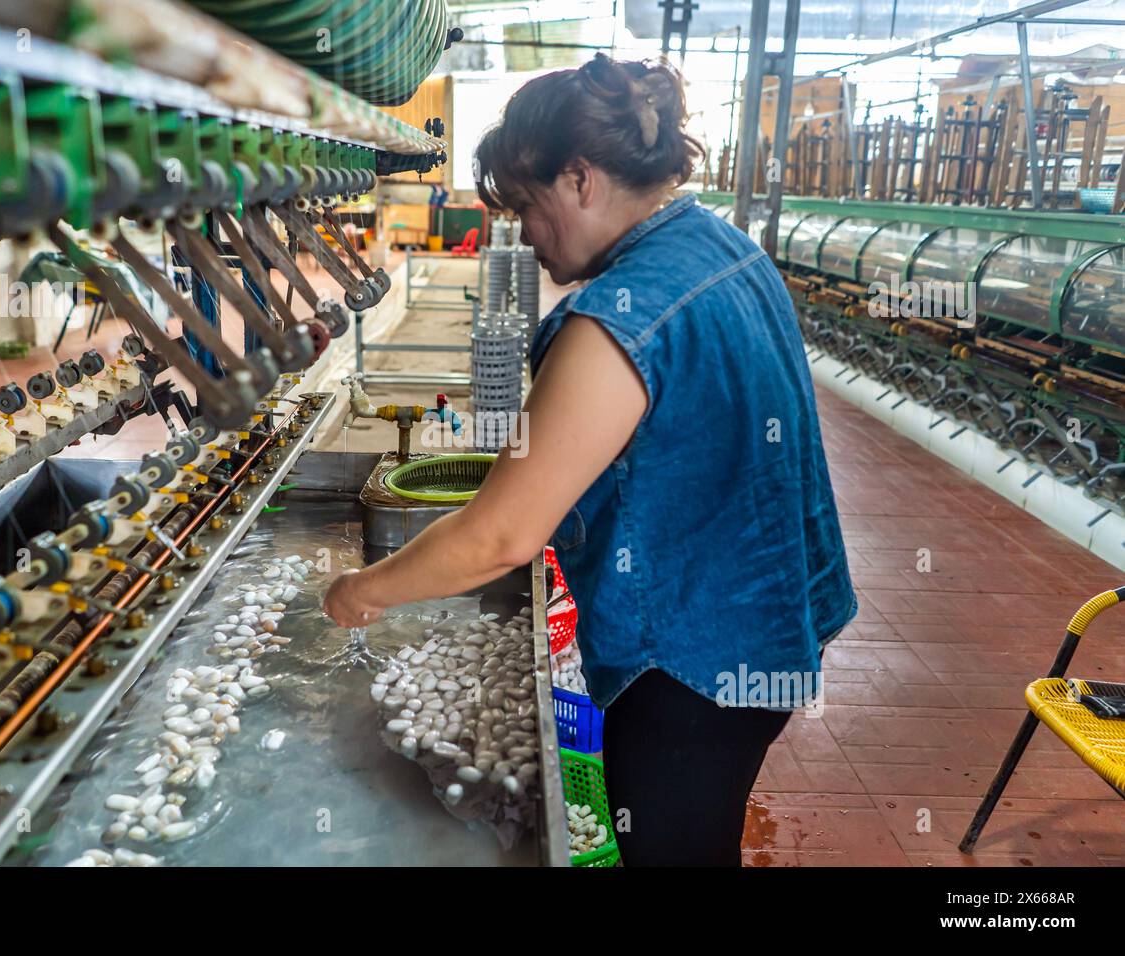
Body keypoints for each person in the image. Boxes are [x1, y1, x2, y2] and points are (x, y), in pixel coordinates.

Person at [324, 53, 856, 866]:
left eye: (528, 209)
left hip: (691, 670)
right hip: (775, 627)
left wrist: (361, 591)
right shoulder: (722, 247)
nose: (526, 237)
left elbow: (497, 538)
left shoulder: (612, 322)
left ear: (578, 179)